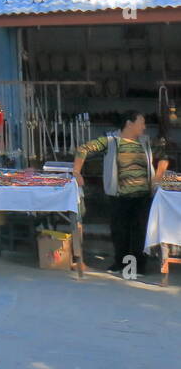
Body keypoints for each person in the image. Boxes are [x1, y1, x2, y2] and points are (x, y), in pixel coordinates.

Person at [72, 110, 168, 275]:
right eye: (141, 123)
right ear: (129, 123)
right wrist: (76, 172)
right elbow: (83, 149)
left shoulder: (146, 142)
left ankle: (138, 267)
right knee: (119, 231)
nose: (144, 127)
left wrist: (157, 177)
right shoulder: (110, 140)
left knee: (139, 231)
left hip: (143, 196)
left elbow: (164, 158)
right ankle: (121, 264)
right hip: (119, 196)